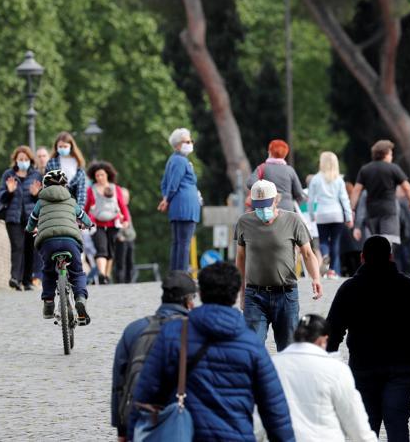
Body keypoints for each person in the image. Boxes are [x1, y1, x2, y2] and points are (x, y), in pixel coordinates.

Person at [132, 262, 295, 441]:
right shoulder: (251, 344)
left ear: (200, 293)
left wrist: (131, 432)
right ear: (236, 295)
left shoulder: (174, 333)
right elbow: (274, 409)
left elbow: (145, 393)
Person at [327, 236, 410, 442]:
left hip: (363, 367)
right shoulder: (407, 286)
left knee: (365, 429)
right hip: (401, 367)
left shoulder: (349, 288)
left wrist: (328, 368)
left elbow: (332, 332)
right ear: (390, 257)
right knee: (397, 424)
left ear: (362, 257)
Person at [259, 314, 377, 442]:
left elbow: (257, 417)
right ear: (322, 340)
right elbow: (355, 420)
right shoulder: (337, 369)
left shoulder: (272, 365)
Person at [236, 179, 323, 351]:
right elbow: (240, 258)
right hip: (255, 296)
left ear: (276, 200)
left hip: (286, 295)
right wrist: (242, 292)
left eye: (266, 204)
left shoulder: (293, 220)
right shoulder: (244, 222)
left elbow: (307, 253)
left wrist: (316, 278)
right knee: (251, 347)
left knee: (288, 348)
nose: (263, 210)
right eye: (258, 206)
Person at [111, 271, 198, 441]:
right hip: (183, 422)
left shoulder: (134, 330)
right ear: (188, 301)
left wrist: (121, 428)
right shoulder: (195, 331)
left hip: (142, 420)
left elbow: (119, 383)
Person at [26, 169, 96, 325]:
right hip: (70, 241)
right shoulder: (71, 201)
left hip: (48, 242)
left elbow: (32, 221)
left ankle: (48, 303)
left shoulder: (40, 202)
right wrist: (88, 224)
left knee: (48, 271)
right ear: (65, 186)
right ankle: (80, 299)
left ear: (44, 186)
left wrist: (31, 229)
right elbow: (83, 217)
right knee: (77, 273)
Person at [350, 140, 410, 247]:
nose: (391, 157)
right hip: (389, 211)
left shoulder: (365, 170)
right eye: (390, 154)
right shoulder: (393, 168)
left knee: (376, 241)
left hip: (372, 212)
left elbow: (356, 190)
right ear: (385, 154)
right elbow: (407, 187)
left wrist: (352, 208)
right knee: (387, 241)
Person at [0, 145, 43, 290]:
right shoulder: (8, 175)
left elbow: (42, 200)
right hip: (13, 219)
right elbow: (0, 197)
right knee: (17, 247)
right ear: (15, 160)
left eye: (26, 159)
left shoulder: (36, 176)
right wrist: (9, 192)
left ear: (30, 160)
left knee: (29, 249)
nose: (23, 162)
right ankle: (15, 278)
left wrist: (36, 194)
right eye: (20, 159)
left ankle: (27, 281)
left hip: (31, 218)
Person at [158, 128, 201, 272]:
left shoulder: (174, 159)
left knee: (178, 242)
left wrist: (166, 198)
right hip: (185, 207)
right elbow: (173, 184)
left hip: (179, 206)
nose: (190, 144)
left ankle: (175, 273)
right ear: (177, 145)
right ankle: (181, 274)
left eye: (190, 141)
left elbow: (165, 183)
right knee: (184, 243)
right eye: (186, 141)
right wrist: (166, 199)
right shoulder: (180, 160)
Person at [306, 151, 354, 279]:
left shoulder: (316, 179)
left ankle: (325, 255)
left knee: (323, 240)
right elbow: (344, 199)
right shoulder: (339, 179)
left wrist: (311, 215)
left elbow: (310, 200)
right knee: (335, 243)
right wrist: (349, 216)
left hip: (322, 214)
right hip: (337, 214)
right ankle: (333, 271)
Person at [85, 161, 131, 285]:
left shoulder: (115, 189)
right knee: (101, 249)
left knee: (110, 251)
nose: (100, 177)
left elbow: (122, 205)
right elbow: (87, 207)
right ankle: (101, 274)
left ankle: (106, 275)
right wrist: (82, 220)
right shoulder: (91, 190)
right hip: (96, 225)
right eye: (97, 175)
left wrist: (126, 220)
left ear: (107, 175)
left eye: (102, 175)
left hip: (113, 224)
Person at [247, 139, 306, 212]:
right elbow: (299, 193)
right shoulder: (290, 170)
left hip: (266, 209)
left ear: (270, 152)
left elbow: (250, 183)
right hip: (287, 209)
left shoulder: (262, 168)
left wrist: (264, 192)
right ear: (285, 155)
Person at [44, 132, 88, 208]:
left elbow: (82, 191)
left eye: (65, 146)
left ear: (71, 146)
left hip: (74, 205)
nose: (62, 149)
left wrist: (79, 209)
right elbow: (47, 186)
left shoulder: (78, 163)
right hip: (56, 204)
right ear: (56, 147)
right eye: (60, 146)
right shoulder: (52, 163)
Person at [114, 187, 137, 284]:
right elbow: (114, 224)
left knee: (130, 262)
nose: (127, 199)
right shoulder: (116, 209)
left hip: (130, 238)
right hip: (121, 239)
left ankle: (129, 282)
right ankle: (120, 283)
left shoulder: (126, 209)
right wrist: (119, 236)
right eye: (124, 197)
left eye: (128, 197)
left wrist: (133, 235)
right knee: (121, 263)